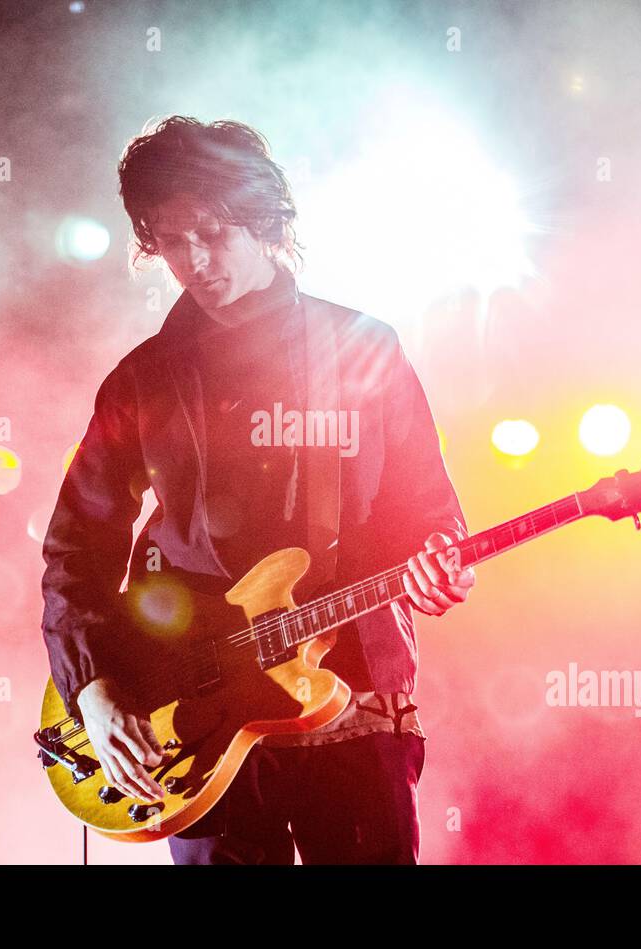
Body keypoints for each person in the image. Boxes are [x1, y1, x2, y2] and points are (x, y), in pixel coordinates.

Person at [40, 116, 474, 864]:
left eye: (213, 231)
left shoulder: (364, 349)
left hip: (353, 696)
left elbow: (429, 515)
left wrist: (440, 564)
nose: (195, 260)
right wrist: (94, 685)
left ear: (265, 219)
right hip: (203, 719)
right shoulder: (142, 381)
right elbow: (77, 544)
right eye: (172, 240)